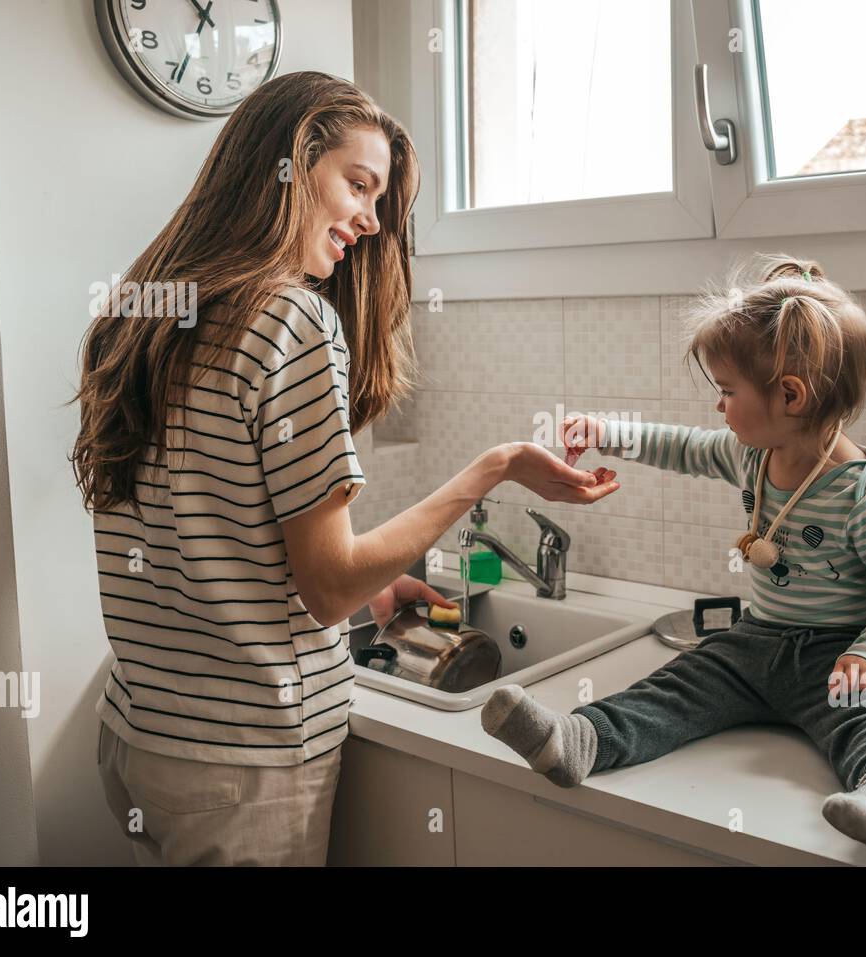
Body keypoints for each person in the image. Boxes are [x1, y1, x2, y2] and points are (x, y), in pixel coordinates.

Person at [69, 71, 618, 866]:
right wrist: (490, 469)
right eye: (357, 185)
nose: (367, 219)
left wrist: (375, 582)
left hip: (139, 737)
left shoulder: (143, 313)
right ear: (286, 168)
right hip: (246, 758)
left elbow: (207, 530)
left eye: (378, 198)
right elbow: (327, 585)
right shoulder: (291, 318)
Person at [482, 254, 866, 855]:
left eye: (727, 391)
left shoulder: (865, 494)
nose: (718, 407)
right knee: (676, 688)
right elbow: (682, 446)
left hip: (837, 654)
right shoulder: (753, 454)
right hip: (757, 640)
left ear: (791, 396)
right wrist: (606, 430)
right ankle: (580, 740)